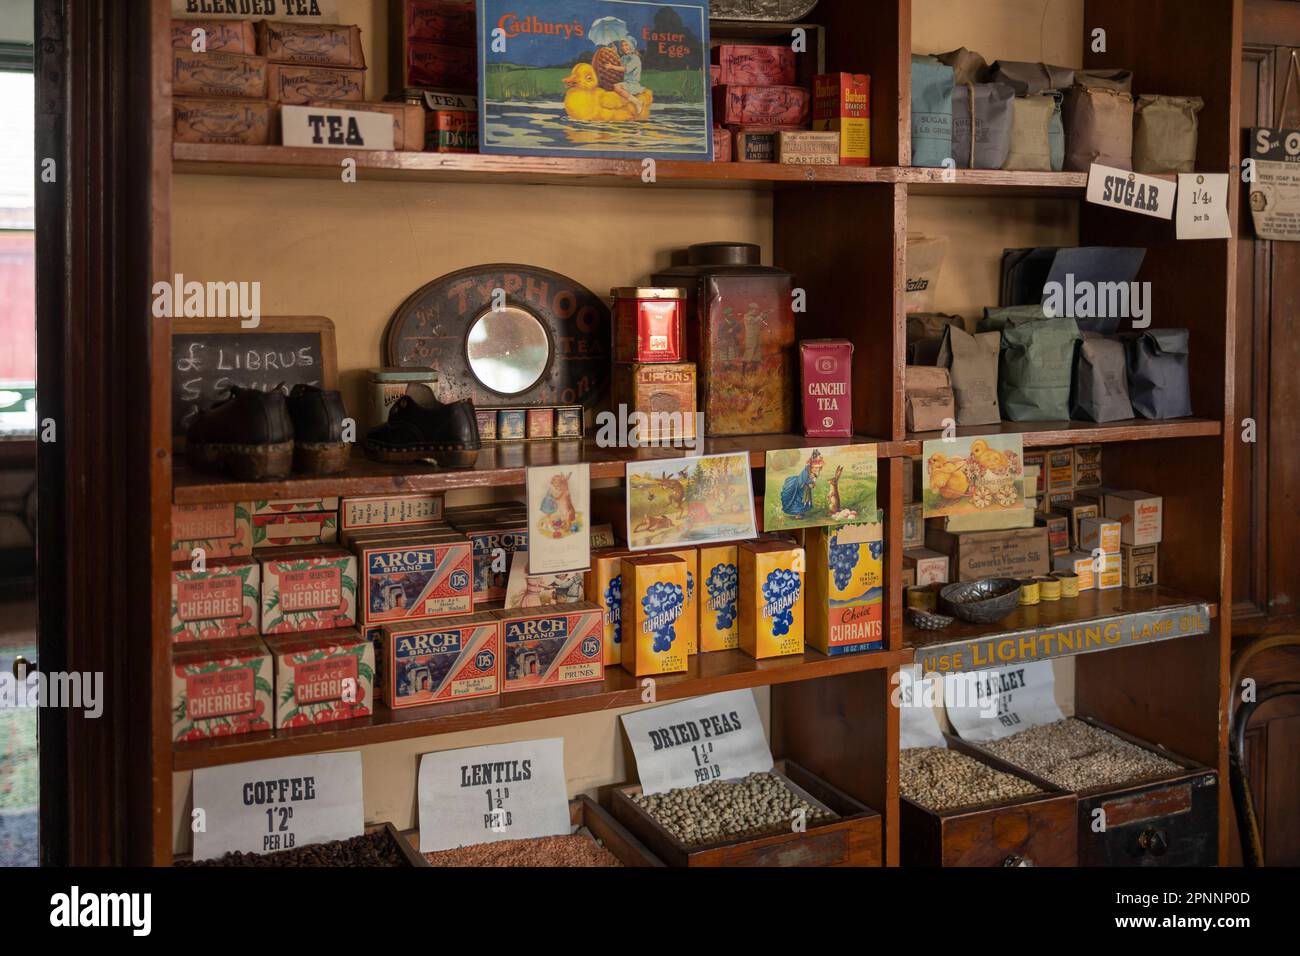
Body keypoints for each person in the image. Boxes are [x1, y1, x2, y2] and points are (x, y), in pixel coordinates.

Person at [779, 450, 823, 517]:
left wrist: (813, 480)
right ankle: (798, 514)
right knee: (799, 500)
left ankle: (801, 512)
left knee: (804, 500)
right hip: (801, 487)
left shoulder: (815, 467)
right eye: (818, 458)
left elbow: (814, 475)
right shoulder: (807, 469)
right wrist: (810, 482)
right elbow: (803, 479)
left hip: (806, 487)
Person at [613, 38, 645, 116]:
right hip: (625, 82)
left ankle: (637, 102)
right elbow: (618, 64)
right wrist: (614, 52)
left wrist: (612, 67)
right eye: (622, 46)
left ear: (631, 46)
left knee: (616, 87)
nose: (624, 47)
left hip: (632, 84)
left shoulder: (635, 58)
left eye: (626, 45)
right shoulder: (624, 58)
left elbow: (626, 69)